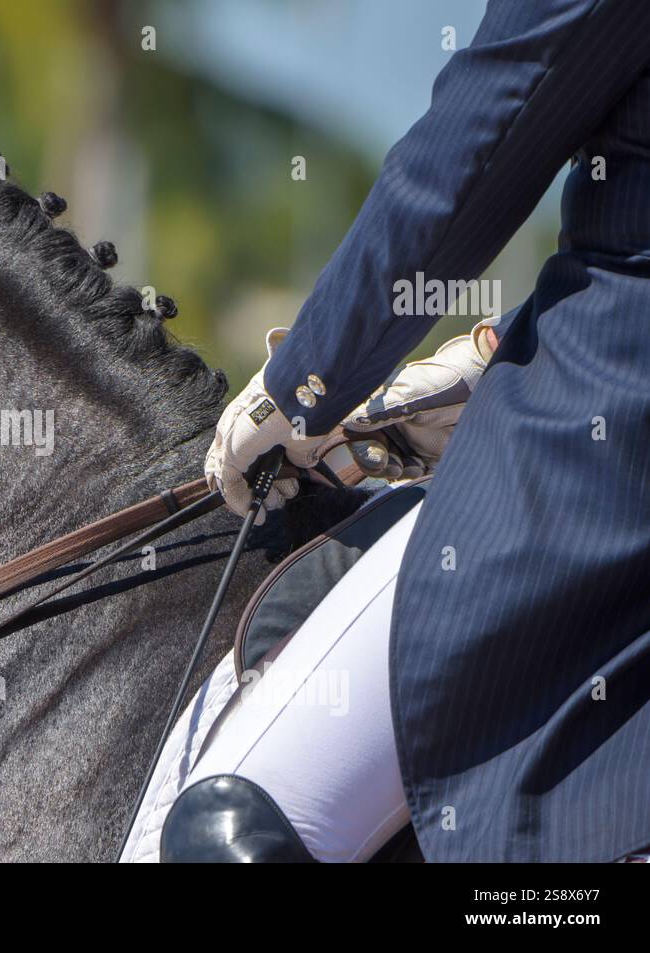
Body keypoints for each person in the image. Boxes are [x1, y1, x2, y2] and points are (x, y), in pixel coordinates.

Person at [124, 0, 650, 863]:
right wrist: (493, 351)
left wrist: (300, 389)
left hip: (607, 466)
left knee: (224, 828)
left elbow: (483, 135)